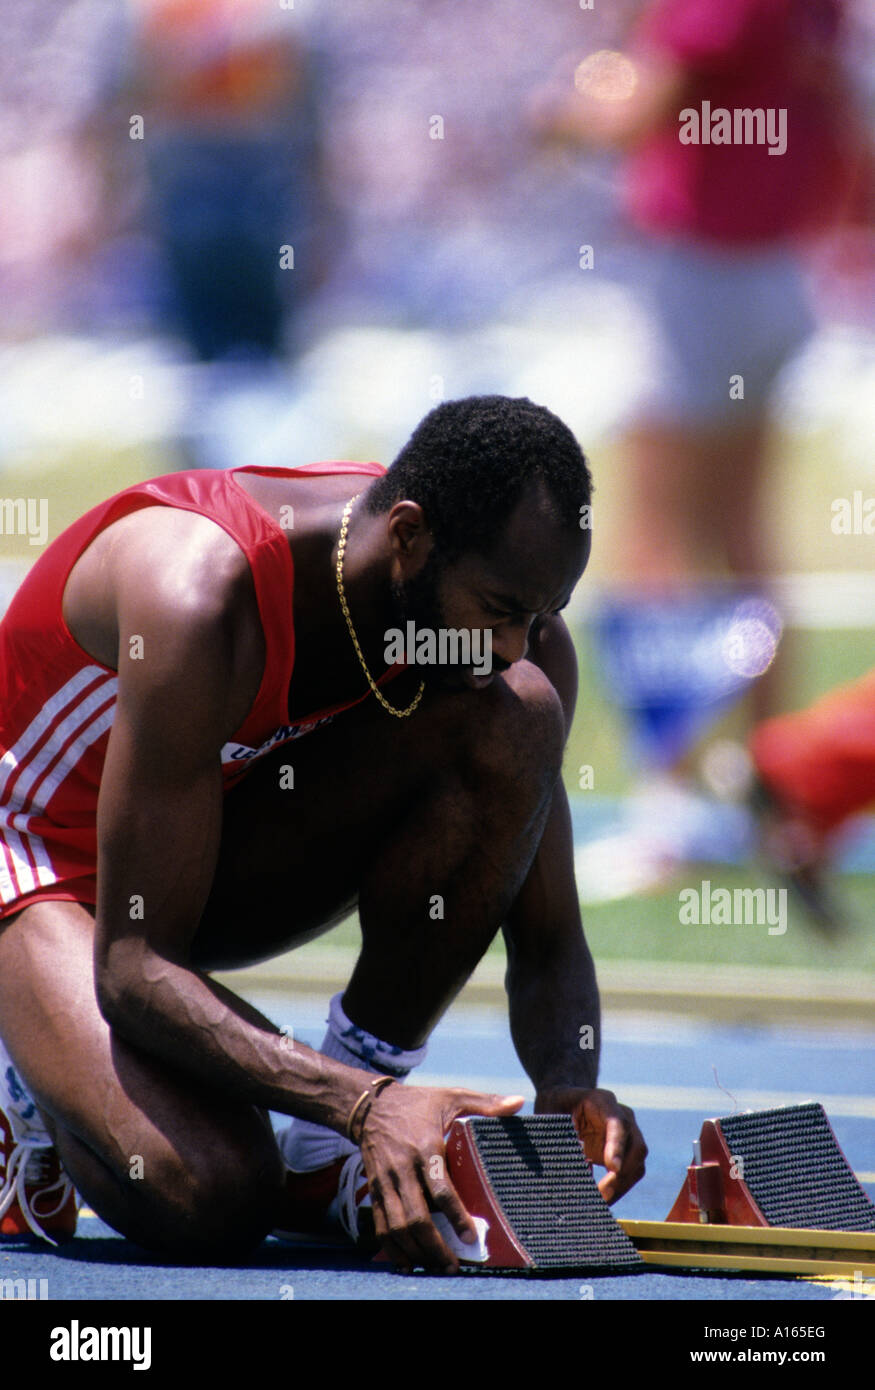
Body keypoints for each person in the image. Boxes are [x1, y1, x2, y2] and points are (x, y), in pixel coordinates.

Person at [0, 395, 646, 1272]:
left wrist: (569, 1083)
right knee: (211, 1193)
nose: (513, 641)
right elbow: (136, 966)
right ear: (410, 539)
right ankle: (26, 1076)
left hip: (188, 835)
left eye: (540, 612)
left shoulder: (505, 628)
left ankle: (318, 1163)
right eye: (498, 608)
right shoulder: (198, 593)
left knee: (519, 714)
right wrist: (363, 1103)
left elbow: (549, 934)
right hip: (35, 860)